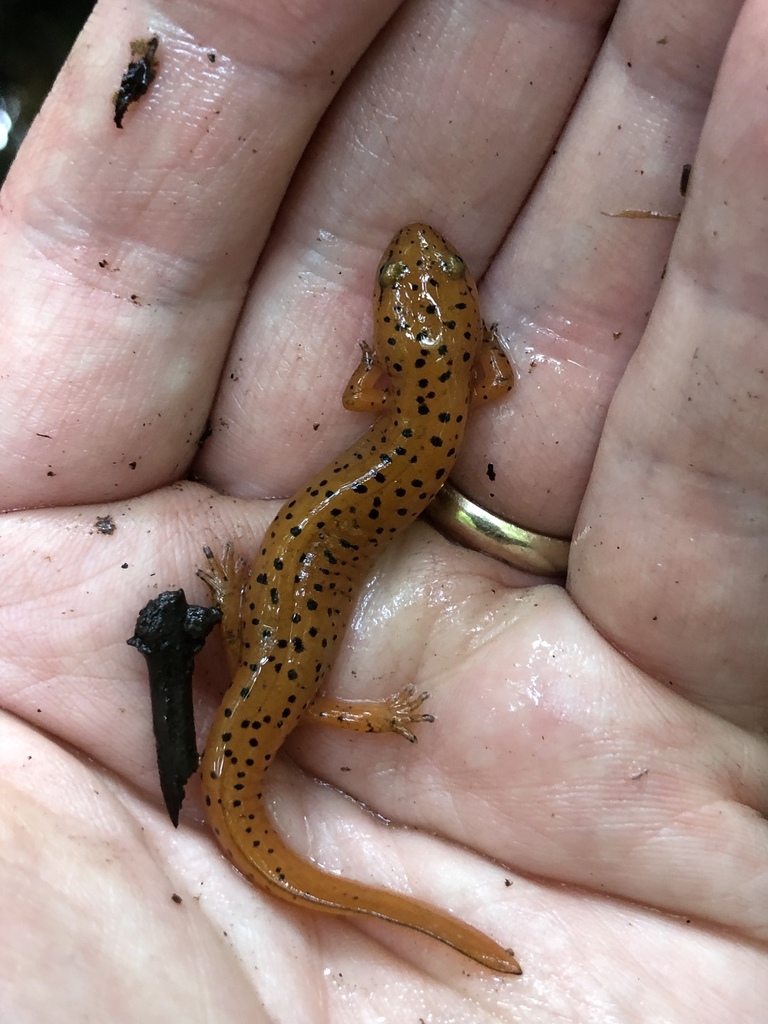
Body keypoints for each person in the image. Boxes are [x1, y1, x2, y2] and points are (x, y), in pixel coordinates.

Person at [1, 1, 765, 1019]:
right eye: (415, 282)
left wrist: (371, 366)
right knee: (282, 680)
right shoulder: (454, 399)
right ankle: (410, 909)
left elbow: (378, 392)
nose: (418, 267)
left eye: (423, 281)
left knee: (282, 676)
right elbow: (485, 373)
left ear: (402, 356)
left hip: (281, 622)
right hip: (283, 625)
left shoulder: (394, 402)